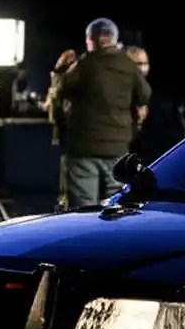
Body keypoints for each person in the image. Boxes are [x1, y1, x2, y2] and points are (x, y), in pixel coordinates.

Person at [51, 19, 151, 208]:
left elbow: (61, 90)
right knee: (116, 209)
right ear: (113, 40)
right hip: (118, 150)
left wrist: (61, 70)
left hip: (84, 150)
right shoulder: (128, 66)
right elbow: (144, 95)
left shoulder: (84, 65)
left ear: (92, 40)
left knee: (84, 210)